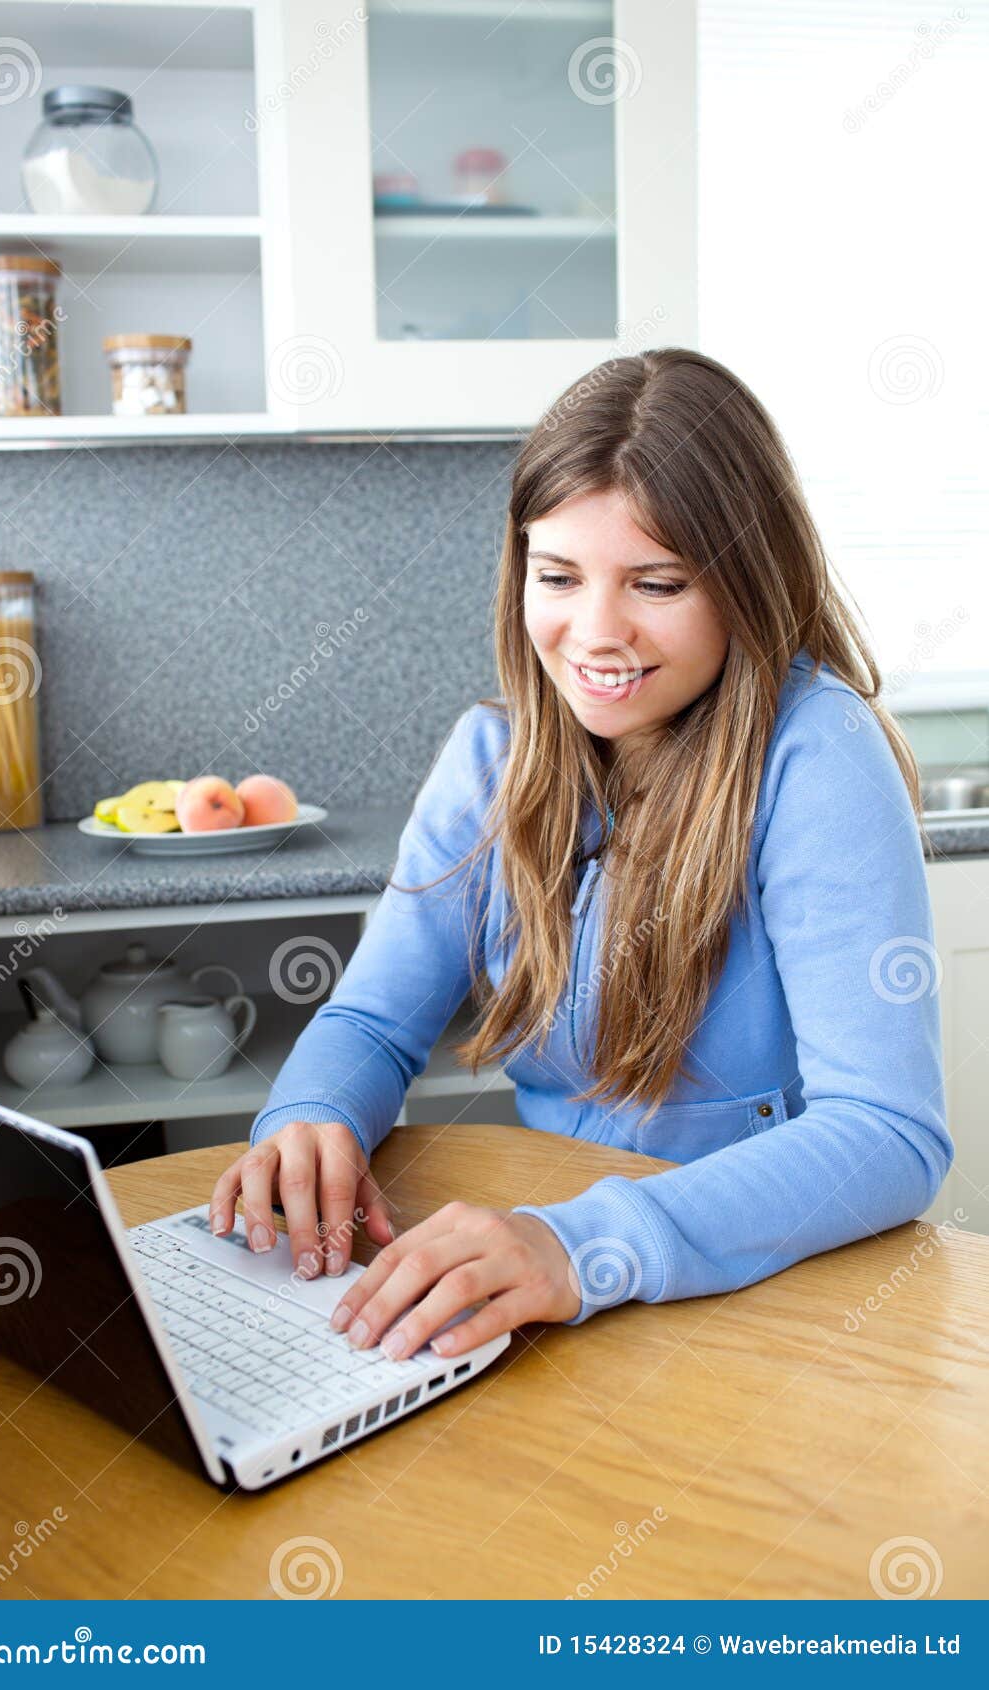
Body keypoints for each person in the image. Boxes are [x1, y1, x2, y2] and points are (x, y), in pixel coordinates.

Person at [208, 347, 953, 1366]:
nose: (594, 633)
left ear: (746, 580)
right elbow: (374, 1021)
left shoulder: (816, 756)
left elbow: (886, 1136)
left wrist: (578, 1244)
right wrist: (309, 1116)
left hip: (762, 1304)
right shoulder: (491, 757)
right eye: (556, 576)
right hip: (562, 1296)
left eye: (654, 582)